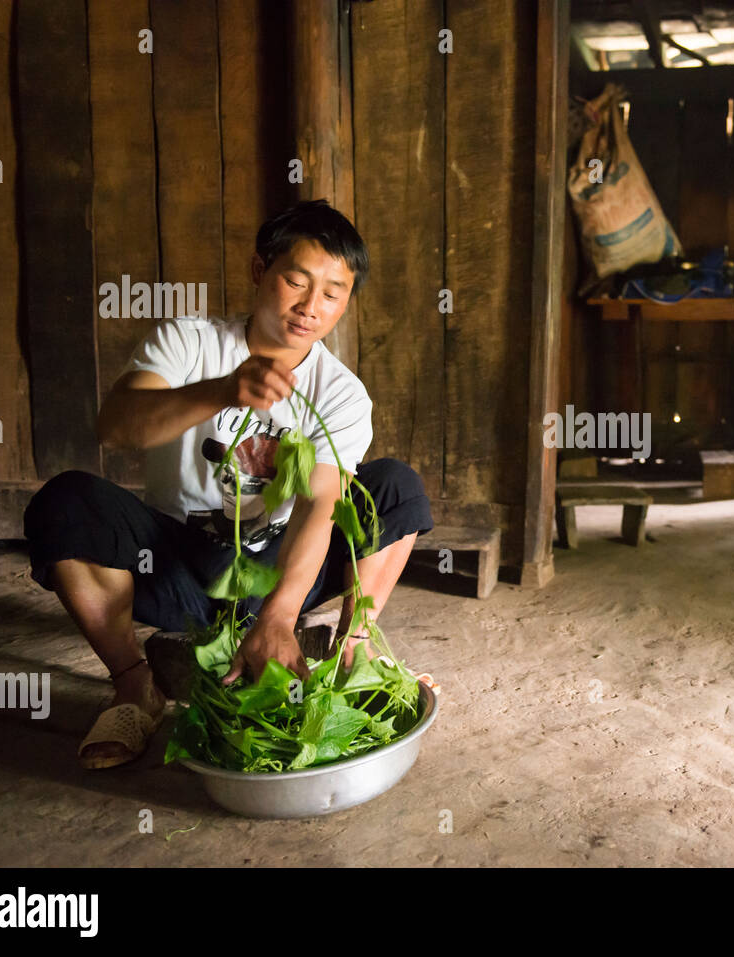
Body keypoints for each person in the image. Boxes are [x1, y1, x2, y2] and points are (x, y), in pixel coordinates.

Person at [24, 199, 433, 769]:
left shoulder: (342, 394)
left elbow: (320, 507)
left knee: (394, 487)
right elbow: (116, 427)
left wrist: (278, 616)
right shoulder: (187, 342)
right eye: (295, 280)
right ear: (258, 270)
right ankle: (135, 685)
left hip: (283, 568)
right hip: (175, 567)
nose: (311, 307)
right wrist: (219, 391)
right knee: (66, 501)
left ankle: (350, 656)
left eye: (333, 293)